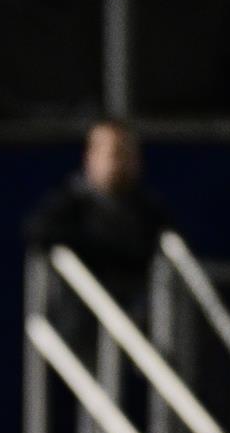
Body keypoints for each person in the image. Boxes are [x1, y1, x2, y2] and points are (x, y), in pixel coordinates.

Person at [25, 119, 172, 307]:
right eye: (113, 153)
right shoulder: (67, 203)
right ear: (91, 156)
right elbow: (38, 232)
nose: (120, 161)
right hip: (80, 314)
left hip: (136, 312)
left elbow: (164, 246)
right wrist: (105, 250)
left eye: (128, 153)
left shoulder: (150, 209)